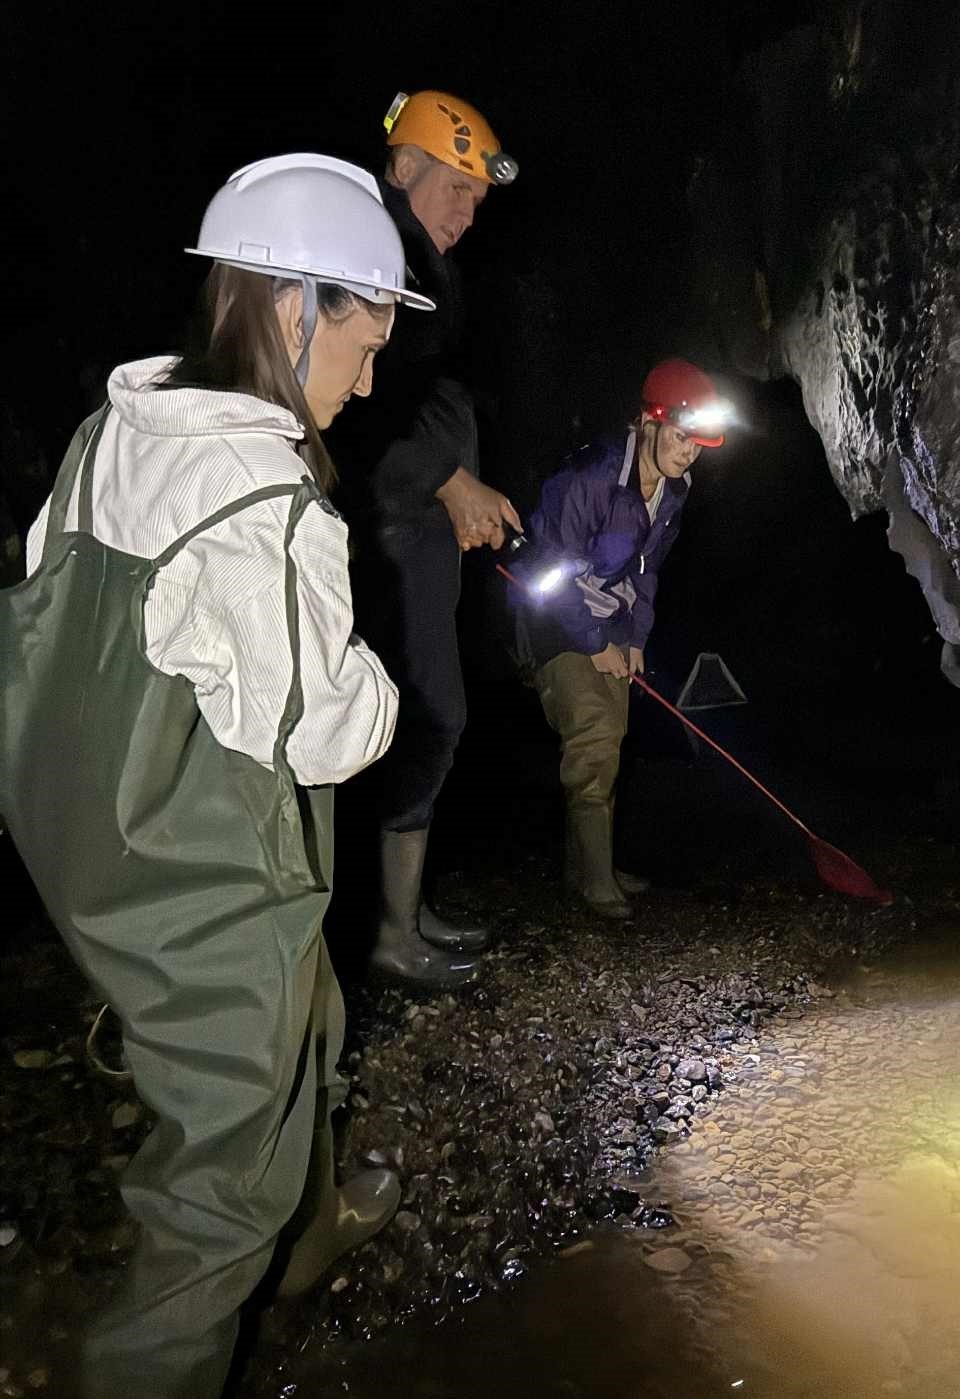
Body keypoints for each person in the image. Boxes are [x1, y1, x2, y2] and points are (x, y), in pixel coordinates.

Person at [0, 153, 433, 1399]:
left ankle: (308, 1238)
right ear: (299, 308)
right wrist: (387, 680)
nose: (372, 367)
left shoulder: (106, 435)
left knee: (314, 1018)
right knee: (220, 1170)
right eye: (370, 331)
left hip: (83, 843)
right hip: (194, 873)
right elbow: (328, 733)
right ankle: (171, 1342)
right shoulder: (260, 491)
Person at [332, 89, 522, 987]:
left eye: (480, 199)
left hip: (422, 533)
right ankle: (382, 931)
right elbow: (360, 414)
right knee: (415, 713)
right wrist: (453, 481)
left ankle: (400, 915)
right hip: (389, 533)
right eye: (455, 186)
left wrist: (461, 493)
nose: (468, 210)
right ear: (402, 168)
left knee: (428, 714)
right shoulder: (371, 254)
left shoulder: (422, 264)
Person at [515, 358, 731, 918]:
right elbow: (552, 576)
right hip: (550, 620)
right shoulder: (590, 479)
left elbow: (647, 569)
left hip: (608, 618)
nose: (690, 453)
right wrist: (594, 643)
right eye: (683, 439)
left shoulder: (675, 489)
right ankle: (595, 883)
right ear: (649, 422)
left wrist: (634, 638)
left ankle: (590, 866)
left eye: (700, 444)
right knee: (595, 735)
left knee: (612, 733)